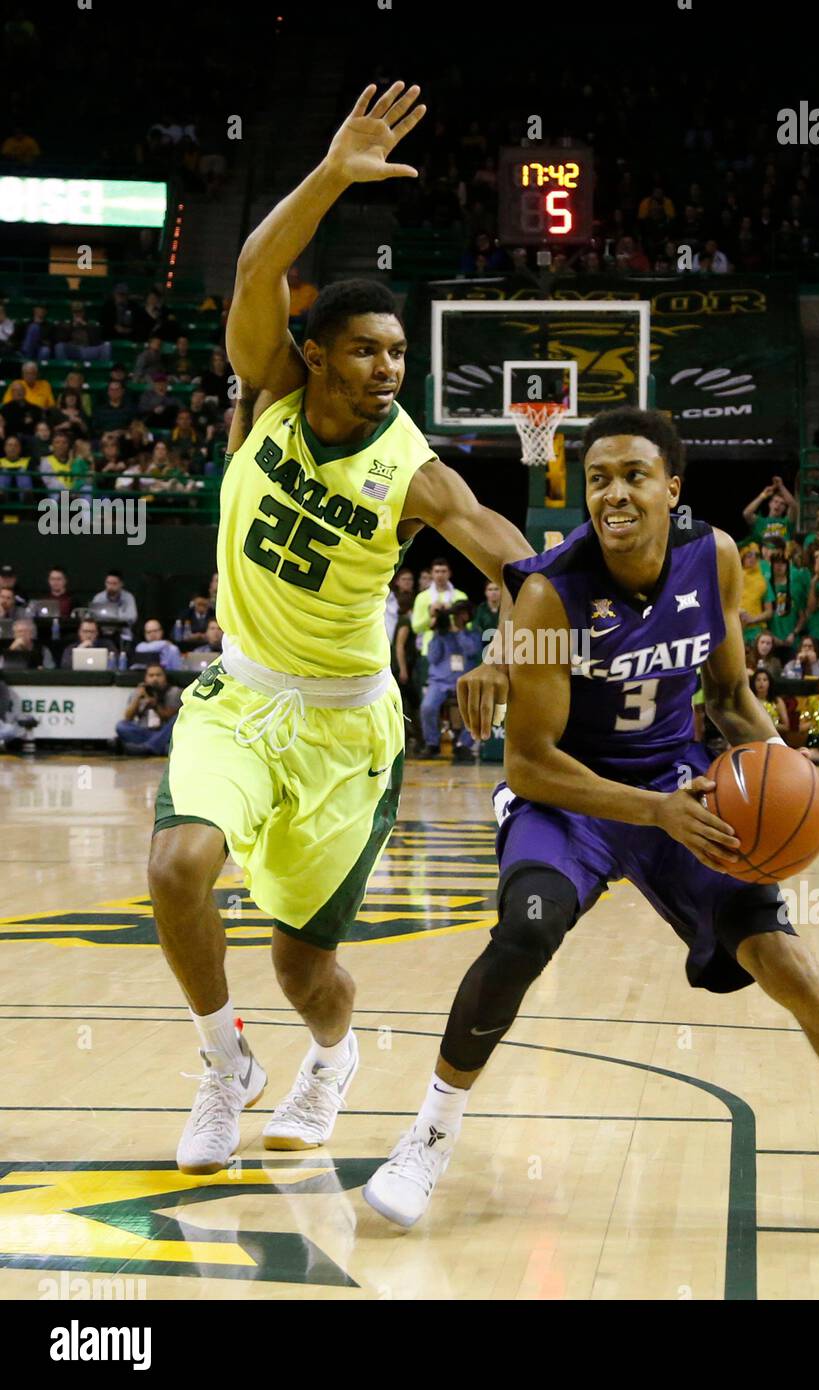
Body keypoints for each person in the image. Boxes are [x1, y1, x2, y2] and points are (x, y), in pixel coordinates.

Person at [363, 407, 819, 1248]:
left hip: (676, 785)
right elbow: (530, 765)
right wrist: (656, 811)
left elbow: (728, 699)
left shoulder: (715, 556)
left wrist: (781, 773)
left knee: (786, 958)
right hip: (572, 799)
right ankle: (428, 1138)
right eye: (598, 480)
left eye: (633, 477)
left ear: (673, 489)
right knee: (523, 930)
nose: (613, 494)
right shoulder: (549, 596)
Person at [145, 82, 534, 1177]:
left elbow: (504, 548)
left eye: (398, 356)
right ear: (314, 353)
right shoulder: (263, 388)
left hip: (343, 733)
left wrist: (518, 643)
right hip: (239, 694)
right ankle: (226, 1069)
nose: (386, 371)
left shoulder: (406, 465)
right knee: (180, 864)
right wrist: (329, 174)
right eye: (366, 351)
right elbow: (257, 271)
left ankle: (330, 1056)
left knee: (301, 964)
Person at [417, 598, 483, 761]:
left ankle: (463, 745)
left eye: (459, 615)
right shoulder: (441, 634)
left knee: (474, 707)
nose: (455, 618)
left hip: (465, 681)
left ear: (467, 616)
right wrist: (436, 632)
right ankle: (432, 743)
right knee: (427, 707)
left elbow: (471, 650)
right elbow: (432, 657)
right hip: (439, 681)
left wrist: (459, 631)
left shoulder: (474, 633)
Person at [116, 664, 181, 755]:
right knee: (121, 726)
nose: (155, 679)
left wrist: (155, 706)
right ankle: (156, 746)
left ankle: (147, 748)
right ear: (145, 678)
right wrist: (138, 698)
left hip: (164, 731)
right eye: (151, 675)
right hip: (145, 731)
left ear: (165, 677)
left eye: (158, 675)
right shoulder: (138, 692)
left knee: (177, 719)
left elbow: (169, 717)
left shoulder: (174, 692)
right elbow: (128, 717)